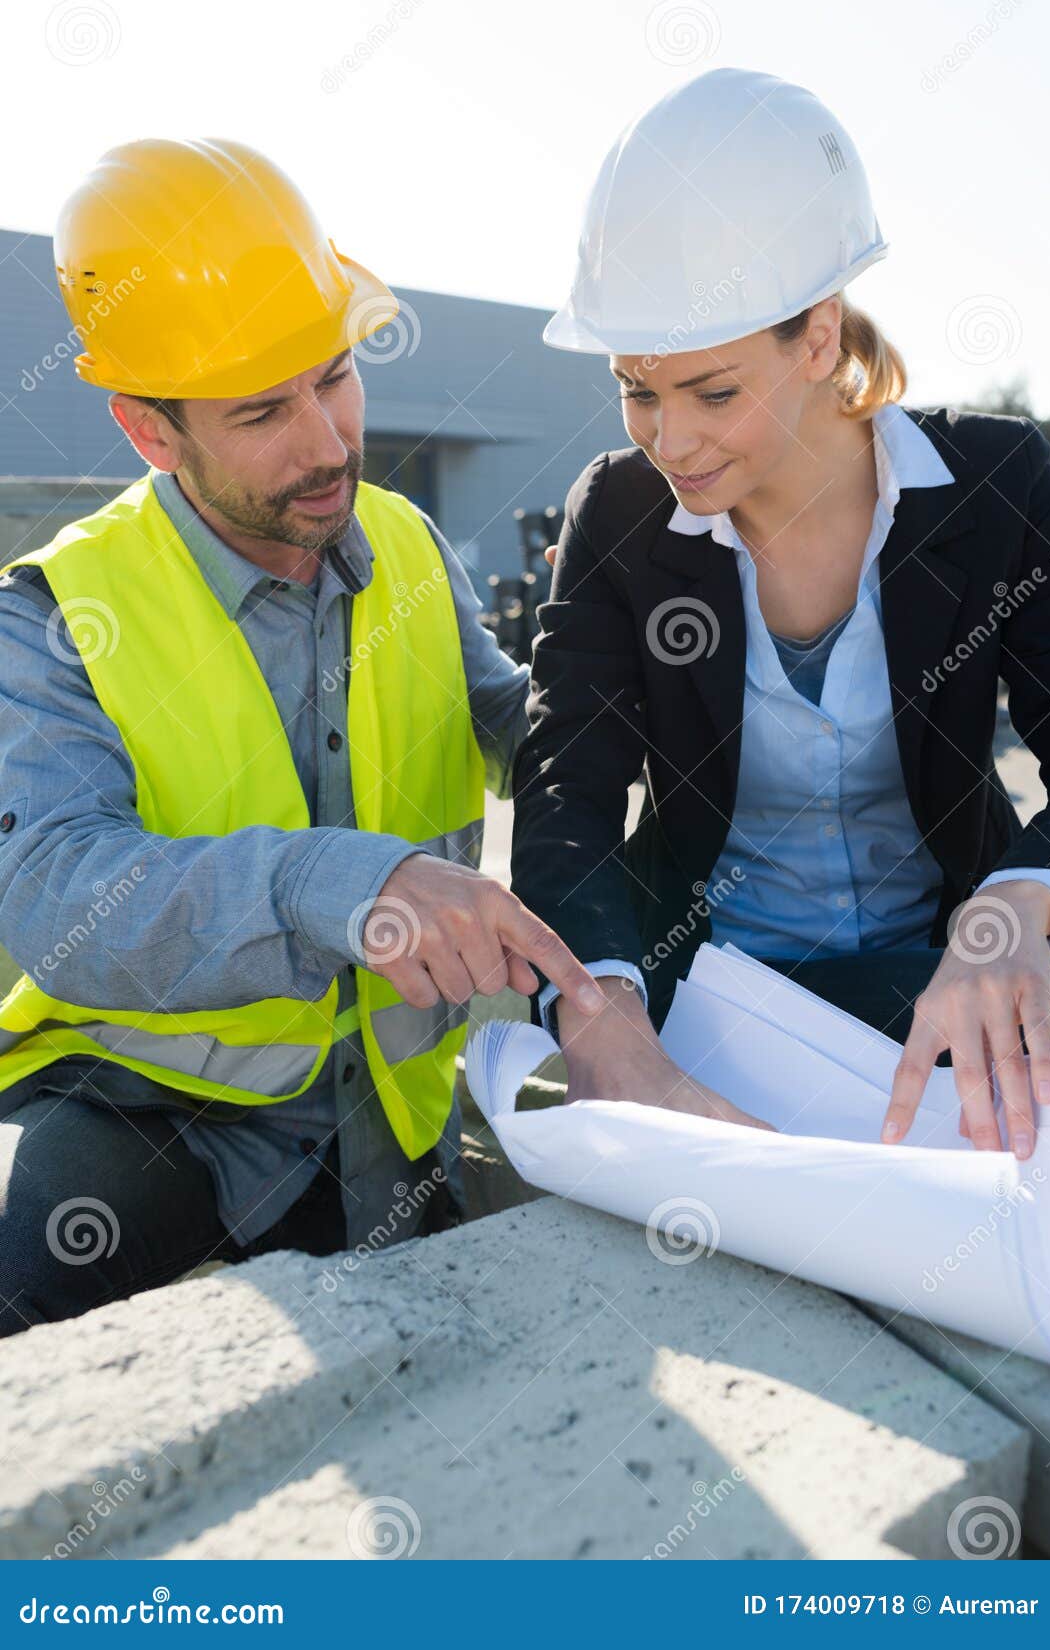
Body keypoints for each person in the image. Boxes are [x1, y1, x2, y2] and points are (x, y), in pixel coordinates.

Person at [0, 137, 604, 1336]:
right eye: (264, 410)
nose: (327, 444)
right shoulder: (60, 615)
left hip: (397, 1105)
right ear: (149, 430)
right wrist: (343, 881)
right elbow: (52, 887)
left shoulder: (410, 545)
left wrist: (642, 708)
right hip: (165, 1112)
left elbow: (513, 722)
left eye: (335, 377)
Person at [510, 67, 1050, 1166]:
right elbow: (566, 780)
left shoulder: (996, 483)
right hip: (712, 992)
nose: (668, 440)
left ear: (819, 339)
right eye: (637, 387)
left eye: (712, 393)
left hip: (947, 972)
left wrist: (1014, 909)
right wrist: (602, 1005)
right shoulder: (617, 514)